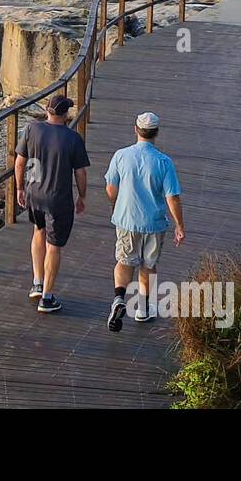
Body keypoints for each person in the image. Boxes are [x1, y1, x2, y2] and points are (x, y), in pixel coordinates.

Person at [104, 112, 185, 332]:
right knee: (148, 265)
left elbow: (111, 188)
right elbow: (172, 197)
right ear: (156, 133)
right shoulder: (164, 162)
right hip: (154, 222)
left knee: (124, 260)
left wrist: (115, 203)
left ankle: (119, 298)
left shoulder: (121, 155)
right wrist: (179, 225)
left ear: (136, 130)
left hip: (126, 218)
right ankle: (142, 308)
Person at [15, 94, 90, 314]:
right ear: (66, 115)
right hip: (58, 199)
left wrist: (20, 188)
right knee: (54, 245)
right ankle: (47, 297)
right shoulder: (73, 138)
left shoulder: (31, 130)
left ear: (47, 111)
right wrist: (82, 196)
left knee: (38, 231)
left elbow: (20, 162)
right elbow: (80, 172)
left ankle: (37, 282)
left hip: (34, 193)